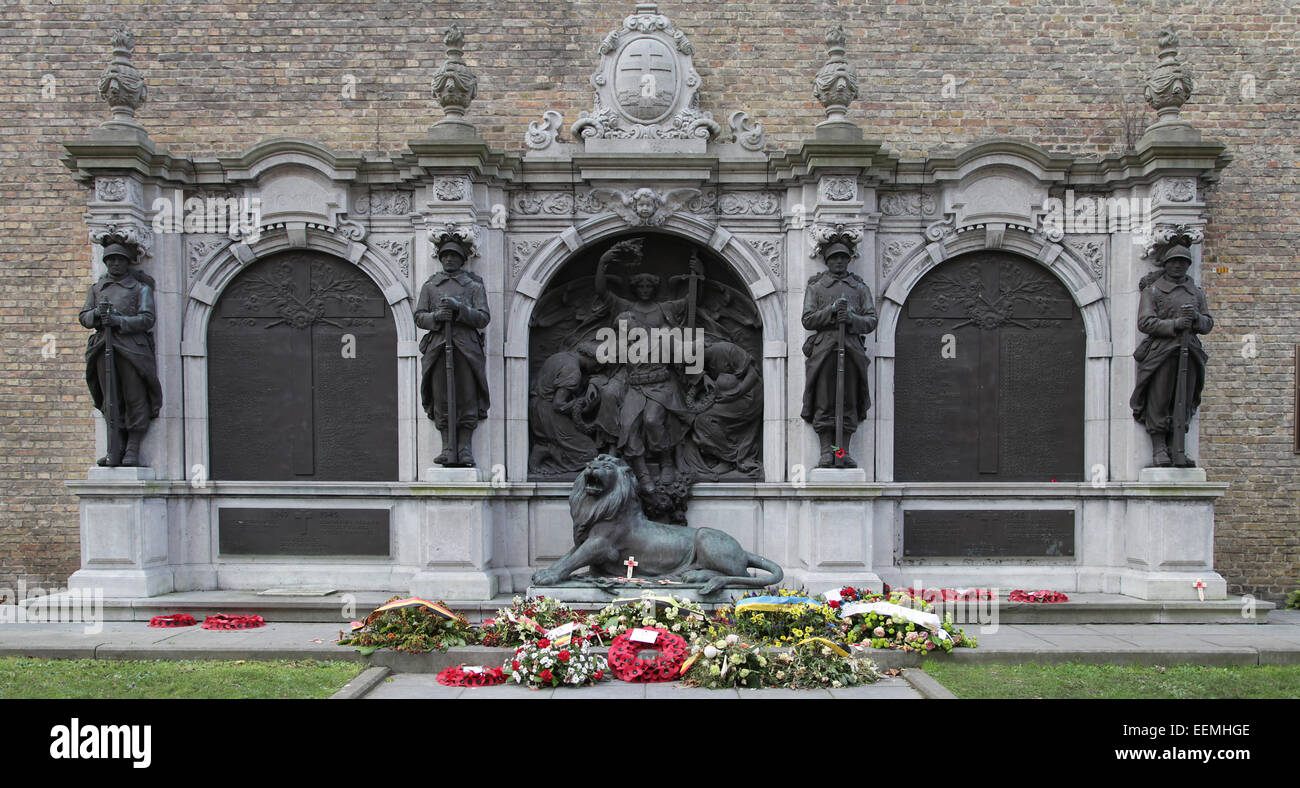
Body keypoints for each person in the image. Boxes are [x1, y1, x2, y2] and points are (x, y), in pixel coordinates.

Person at [591, 239, 697, 491]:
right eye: (641, 285)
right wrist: (603, 263)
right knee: (628, 426)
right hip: (635, 382)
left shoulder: (666, 308)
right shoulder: (625, 309)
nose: (646, 289)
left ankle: (666, 460)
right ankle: (641, 473)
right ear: (635, 288)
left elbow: (690, 302)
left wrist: (697, 274)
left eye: (650, 285)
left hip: (661, 380)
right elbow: (602, 292)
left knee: (651, 420)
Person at [78, 238, 162, 467]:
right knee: (109, 399)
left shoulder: (140, 288)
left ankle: (133, 449)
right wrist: (97, 314)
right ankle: (115, 448)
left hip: (131, 348)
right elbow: (84, 317)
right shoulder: (96, 289)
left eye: (119, 259)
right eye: (110, 260)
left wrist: (117, 320)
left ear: (127, 262)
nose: (115, 264)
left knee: (134, 396)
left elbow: (147, 318)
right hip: (103, 347)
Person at [1130, 244, 1213, 467]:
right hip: (1163, 351)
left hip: (1190, 351)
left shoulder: (1196, 292)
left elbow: (1207, 323)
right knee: (1160, 398)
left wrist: (1195, 318)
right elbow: (1145, 322)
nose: (1178, 265)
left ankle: (1178, 447)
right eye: (1174, 261)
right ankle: (1159, 449)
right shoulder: (1154, 290)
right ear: (1166, 264)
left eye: (1183, 262)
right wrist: (1175, 324)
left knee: (1184, 399)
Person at [801, 240, 877, 468]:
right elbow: (807, 319)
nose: (839, 261)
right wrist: (831, 311)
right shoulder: (816, 287)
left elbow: (871, 320)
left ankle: (841, 452)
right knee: (824, 401)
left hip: (851, 349)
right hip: (824, 349)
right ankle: (827, 452)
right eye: (834, 258)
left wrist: (852, 318)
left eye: (843, 257)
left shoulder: (859, 288)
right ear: (827, 260)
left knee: (848, 401)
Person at [415, 238, 490, 467]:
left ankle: (465, 448)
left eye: (454, 256)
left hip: (465, 347)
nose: (449, 259)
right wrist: (436, 317)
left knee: (467, 395)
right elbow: (419, 316)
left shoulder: (473, 286)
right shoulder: (430, 286)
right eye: (445, 255)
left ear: (461, 259)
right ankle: (447, 447)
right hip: (438, 347)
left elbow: (483, 317)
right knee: (441, 396)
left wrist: (460, 309)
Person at [679, 340, 762, 478]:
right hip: (728, 396)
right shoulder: (703, 360)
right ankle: (724, 455)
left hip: (749, 396)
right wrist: (704, 377)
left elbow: (752, 374)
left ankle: (730, 458)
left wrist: (736, 392)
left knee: (704, 420)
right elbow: (692, 372)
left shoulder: (726, 350)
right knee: (700, 420)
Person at [529, 343, 601, 475]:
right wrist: (581, 403)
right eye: (597, 364)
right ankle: (546, 451)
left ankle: (545, 447)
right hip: (548, 412)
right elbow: (559, 405)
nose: (596, 369)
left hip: (535, 407)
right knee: (590, 452)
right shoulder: (573, 371)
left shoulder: (558, 357)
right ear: (591, 358)